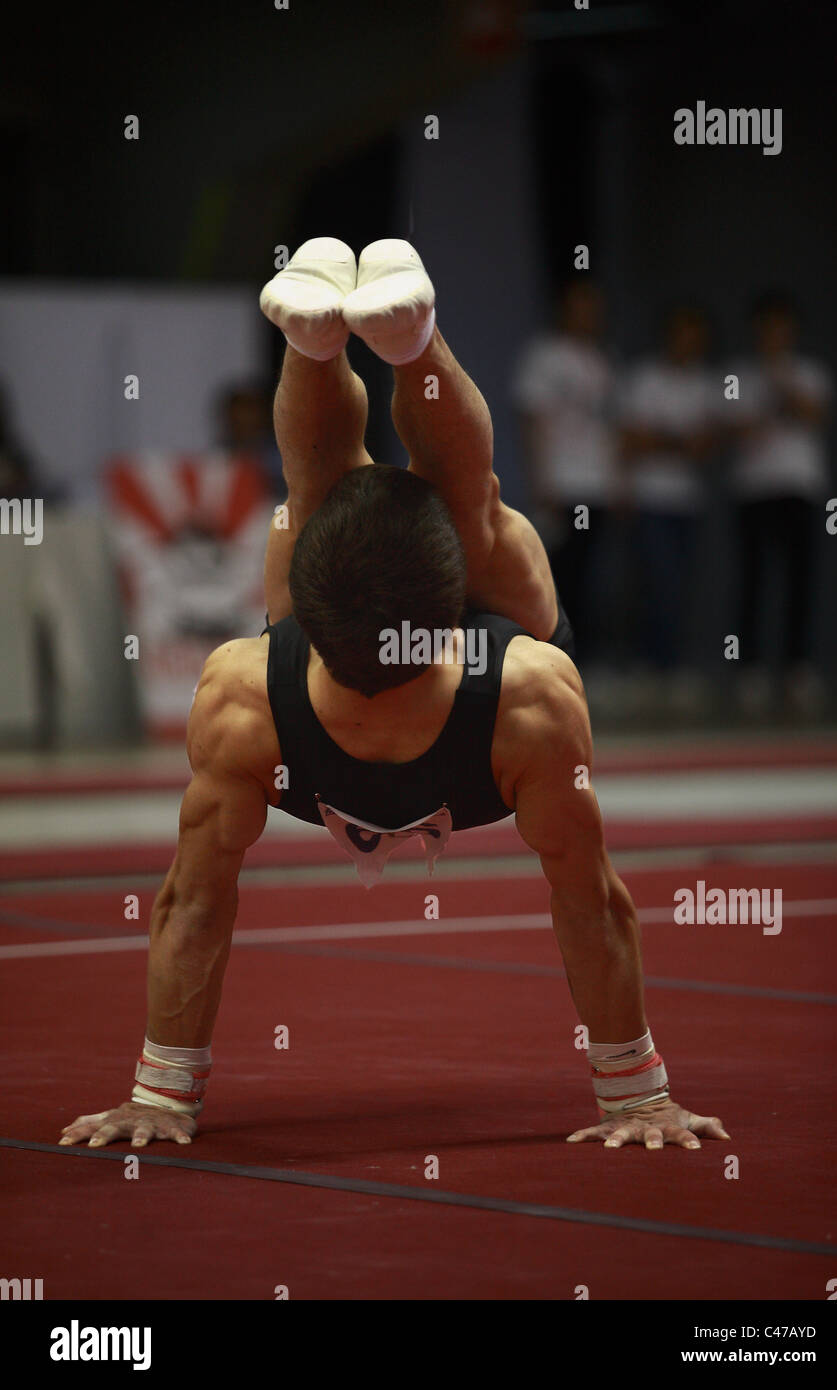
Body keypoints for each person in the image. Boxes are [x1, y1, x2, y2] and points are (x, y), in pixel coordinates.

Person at [59, 238, 728, 1155]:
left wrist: (164, 1096)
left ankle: (319, 345)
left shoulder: (247, 699)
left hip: (409, 648)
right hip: (452, 667)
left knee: (329, 492)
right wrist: (635, 1096)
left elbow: (193, 899)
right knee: (468, 501)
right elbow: (588, 896)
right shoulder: (526, 706)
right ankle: (407, 344)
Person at [727, 292, 832, 717]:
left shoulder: (810, 372)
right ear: (757, 330)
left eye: (781, 326)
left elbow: (813, 413)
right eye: (767, 326)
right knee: (753, 580)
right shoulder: (736, 375)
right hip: (754, 489)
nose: (774, 334)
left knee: (800, 580)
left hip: (799, 487)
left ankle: (796, 668)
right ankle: (749, 668)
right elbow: (735, 429)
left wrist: (781, 386)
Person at [512, 280, 618, 669]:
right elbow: (532, 422)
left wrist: (617, 478)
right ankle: (548, 661)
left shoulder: (601, 359)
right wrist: (543, 481)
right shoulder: (545, 356)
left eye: (594, 306)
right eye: (581, 304)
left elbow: (609, 426)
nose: (589, 314)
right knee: (556, 579)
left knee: (590, 581)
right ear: (564, 308)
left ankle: (583, 666)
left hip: (597, 486)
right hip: (562, 485)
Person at [618, 306, 717, 712]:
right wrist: (678, 442)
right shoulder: (644, 378)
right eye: (682, 333)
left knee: (680, 587)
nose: (688, 343)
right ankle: (648, 667)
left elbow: (707, 445)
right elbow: (632, 439)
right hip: (650, 498)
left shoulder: (708, 383)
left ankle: (672, 667)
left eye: (695, 335)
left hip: (688, 502)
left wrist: (663, 439)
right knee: (656, 584)